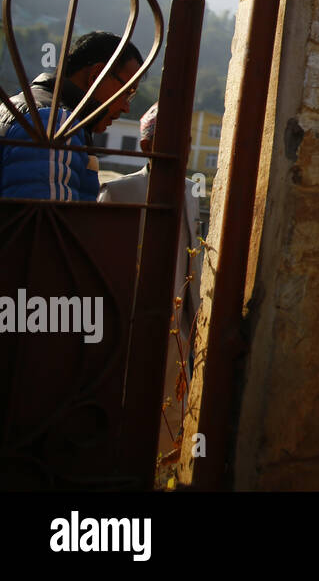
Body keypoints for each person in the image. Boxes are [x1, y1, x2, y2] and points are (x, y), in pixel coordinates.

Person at [98, 102, 202, 460]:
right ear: (146, 147)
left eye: (188, 141)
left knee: (171, 404)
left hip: (178, 320)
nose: (185, 150)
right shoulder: (120, 193)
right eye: (177, 140)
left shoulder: (191, 191)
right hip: (128, 318)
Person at [1, 31, 144, 200]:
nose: (126, 107)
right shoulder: (57, 123)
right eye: (127, 92)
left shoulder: (19, 104)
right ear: (97, 75)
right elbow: (48, 220)